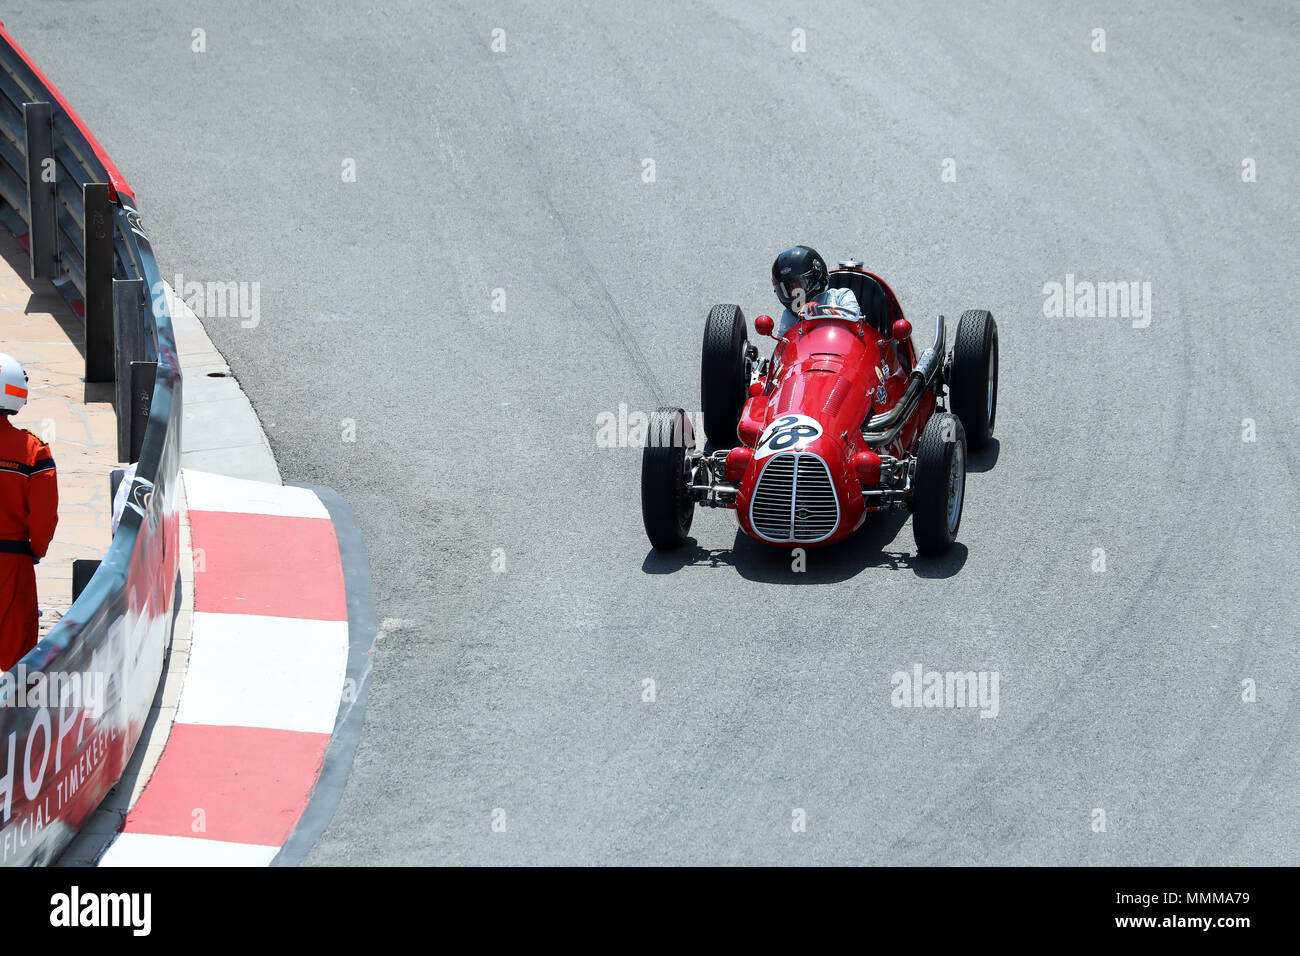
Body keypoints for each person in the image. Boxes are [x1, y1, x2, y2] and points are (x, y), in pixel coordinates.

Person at [0, 353, 57, 671]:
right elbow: (44, 517)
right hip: (12, 566)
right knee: (16, 666)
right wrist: (34, 551)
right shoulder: (33, 451)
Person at [771, 245, 860, 336]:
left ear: (816, 277)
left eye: (800, 284)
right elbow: (783, 346)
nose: (796, 292)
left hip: (844, 348)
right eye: (790, 288)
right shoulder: (790, 315)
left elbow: (855, 323)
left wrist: (822, 312)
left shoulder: (842, 295)